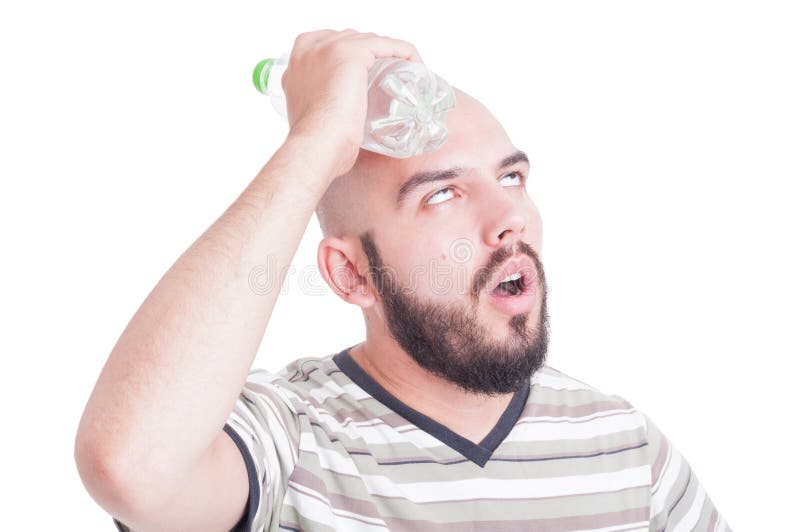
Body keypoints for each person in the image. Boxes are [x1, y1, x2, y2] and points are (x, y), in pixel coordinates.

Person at [75, 29, 731, 531]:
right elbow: (133, 469)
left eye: (511, 178)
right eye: (442, 195)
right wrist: (314, 142)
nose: (510, 219)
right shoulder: (290, 437)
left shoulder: (626, 446)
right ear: (352, 273)